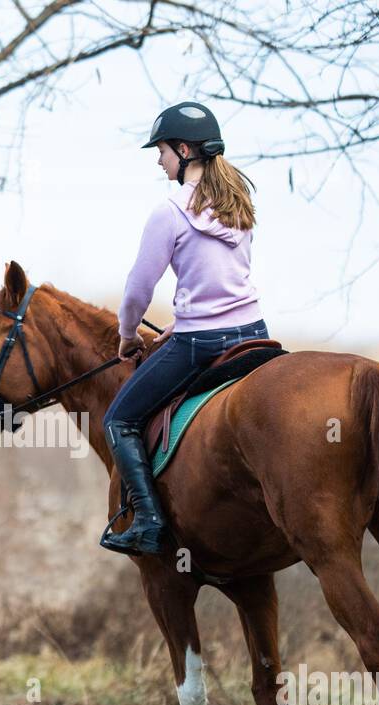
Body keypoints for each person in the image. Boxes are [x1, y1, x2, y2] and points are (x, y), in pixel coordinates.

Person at [101, 101, 268, 556]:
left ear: (183, 149)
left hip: (203, 344)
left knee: (118, 419)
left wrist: (129, 333)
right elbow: (223, 280)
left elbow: (138, 289)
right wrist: (182, 319)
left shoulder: (170, 211)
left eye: (161, 151)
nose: (159, 160)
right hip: (255, 333)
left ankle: (149, 524)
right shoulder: (239, 203)